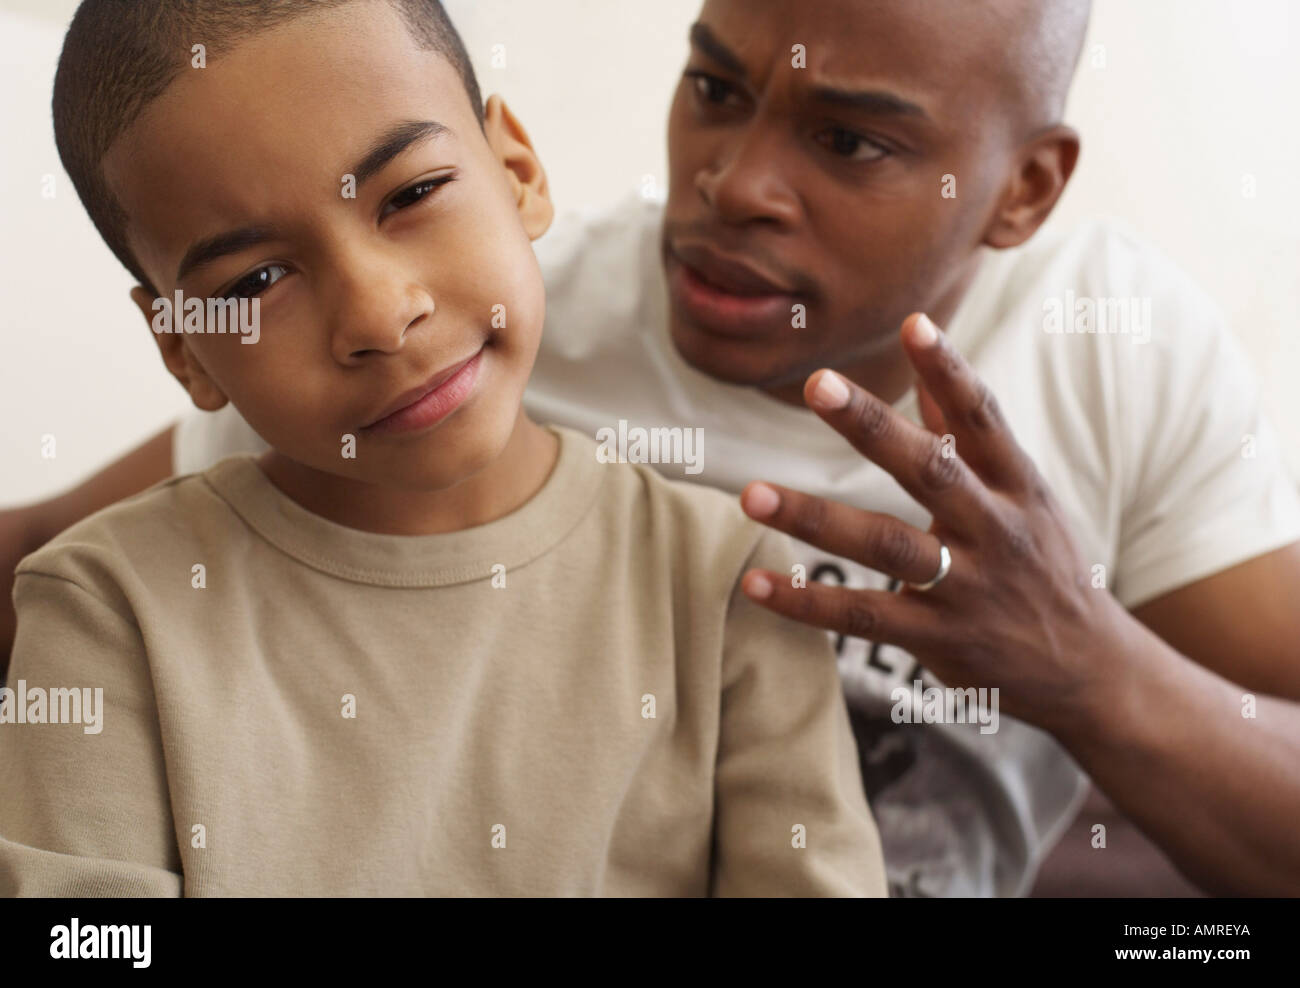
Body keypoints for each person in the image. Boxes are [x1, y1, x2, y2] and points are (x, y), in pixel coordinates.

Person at [6, 0, 1300, 896]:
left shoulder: (1119, 357)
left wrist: (1087, 668)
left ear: (1022, 190)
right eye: (715, 90)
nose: (735, 183)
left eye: (849, 137)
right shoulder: (141, 581)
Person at [0, 0, 887, 897]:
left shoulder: (724, 582)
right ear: (183, 344)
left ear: (516, 170)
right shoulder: (105, 613)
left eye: (412, 195)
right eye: (260, 279)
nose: (381, 317)